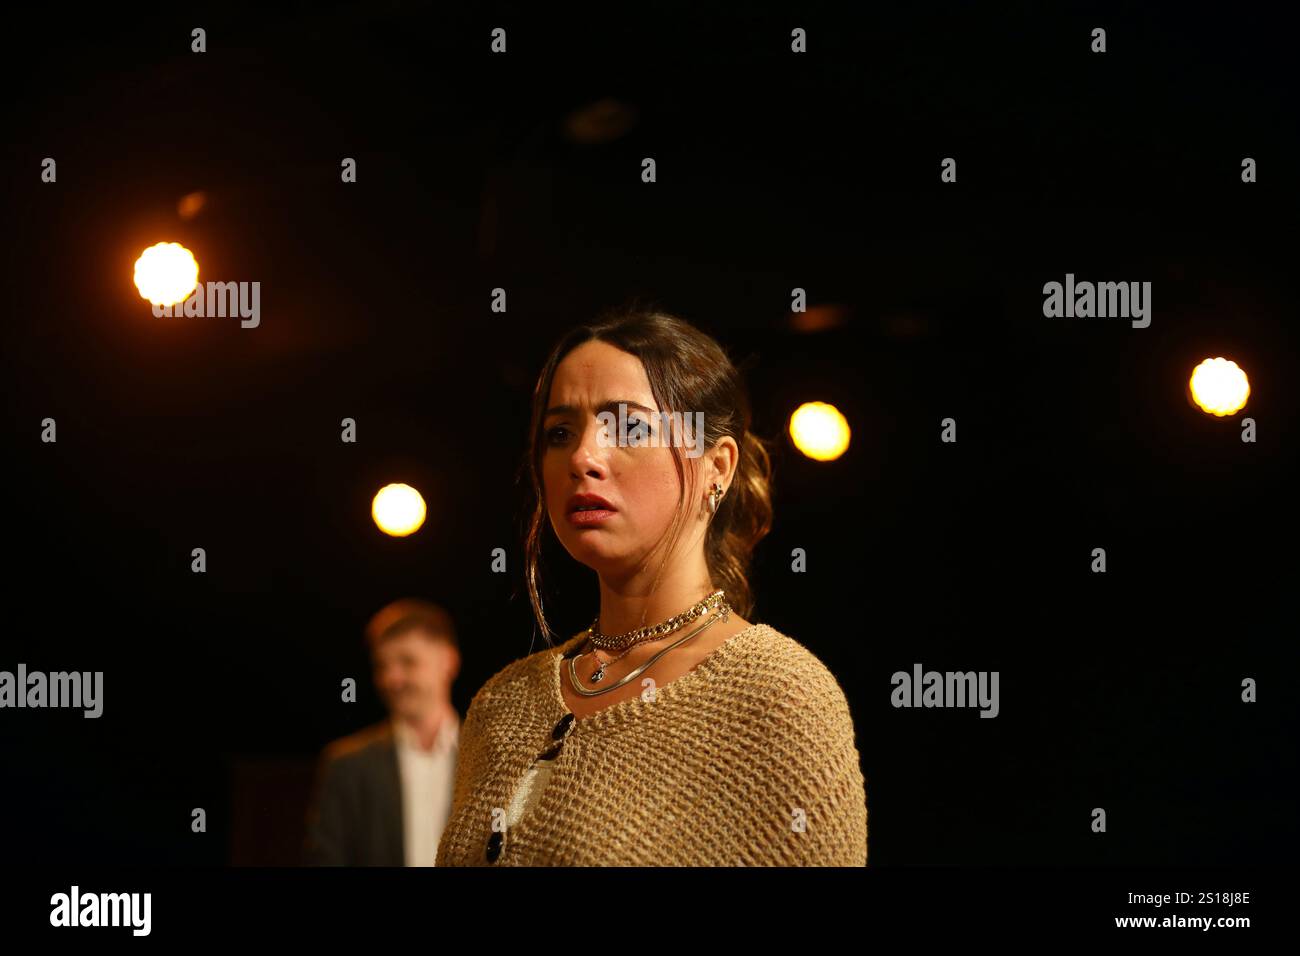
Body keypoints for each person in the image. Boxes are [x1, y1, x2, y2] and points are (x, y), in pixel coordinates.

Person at [435, 303, 868, 866]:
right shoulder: (501, 704)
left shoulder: (776, 697)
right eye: (561, 432)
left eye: (630, 426)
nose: (584, 456)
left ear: (717, 466)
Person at [303, 599, 461, 866]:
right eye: (382, 666)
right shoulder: (346, 763)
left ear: (448, 661)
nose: (392, 679)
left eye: (407, 662)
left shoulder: (489, 755)